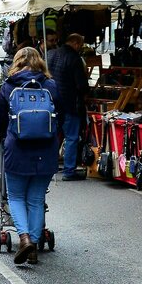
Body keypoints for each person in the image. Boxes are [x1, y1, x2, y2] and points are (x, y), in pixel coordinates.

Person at [0, 47, 60, 266]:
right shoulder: (50, 85)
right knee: (36, 199)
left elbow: (1, 121)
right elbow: (58, 117)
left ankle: (24, 238)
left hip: (17, 149)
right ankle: (33, 243)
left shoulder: (9, 86)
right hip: (46, 149)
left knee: (15, 197)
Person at [45, 32, 90, 180]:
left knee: (54, 135)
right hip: (70, 103)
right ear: (76, 43)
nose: (81, 48)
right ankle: (69, 171)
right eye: (81, 45)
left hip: (52, 103)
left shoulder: (50, 54)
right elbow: (81, 84)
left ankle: (49, 166)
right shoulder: (74, 58)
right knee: (71, 137)